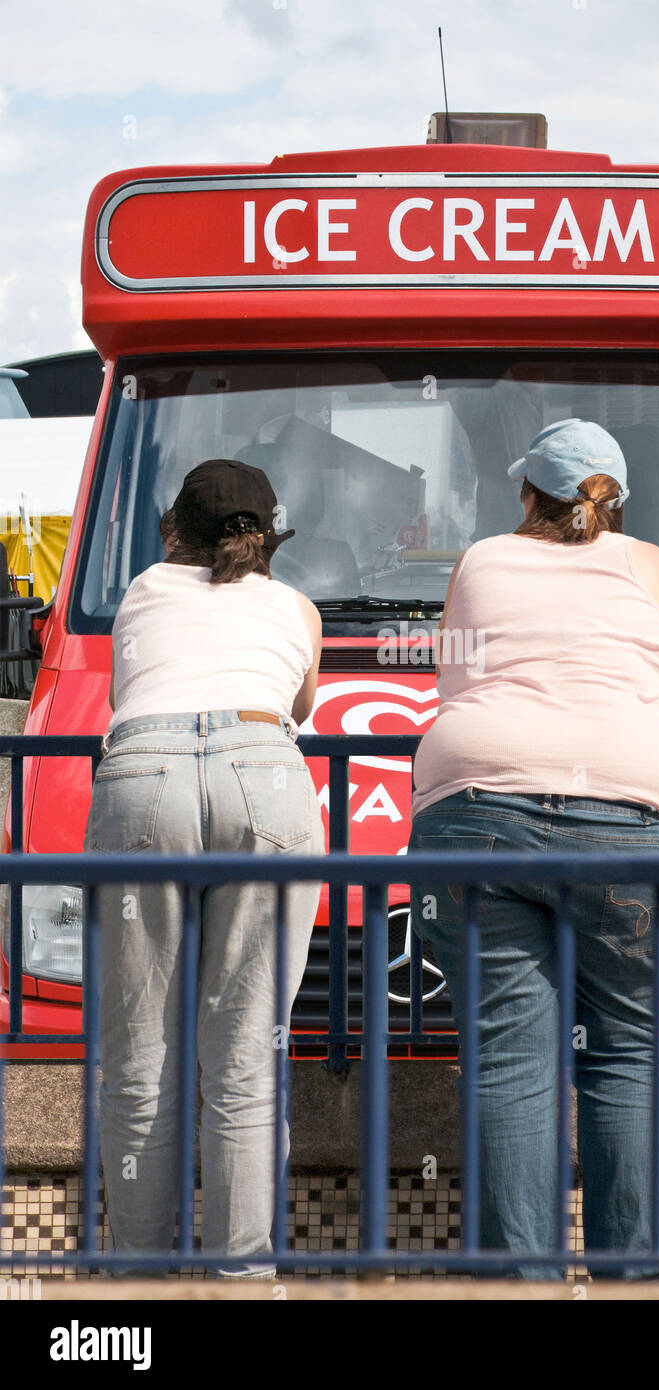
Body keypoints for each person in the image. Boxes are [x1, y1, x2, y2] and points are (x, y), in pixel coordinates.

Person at [408, 418, 659, 1280]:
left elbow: (458, 678)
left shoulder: (479, 561)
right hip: (627, 818)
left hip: (474, 812)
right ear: (612, 499)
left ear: (526, 493)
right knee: (626, 1053)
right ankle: (643, 1280)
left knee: (509, 1059)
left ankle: (519, 1287)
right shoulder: (654, 567)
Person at [85, 458, 324, 1278]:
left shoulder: (142, 591)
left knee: (139, 1057)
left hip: (143, 777)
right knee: (245, 1056)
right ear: (267, 540)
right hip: (263, 770)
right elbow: (299, 706)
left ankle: (136, 1285)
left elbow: (135, 689)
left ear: (171, 530)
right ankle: (244, 1285)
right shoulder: (296, 607)